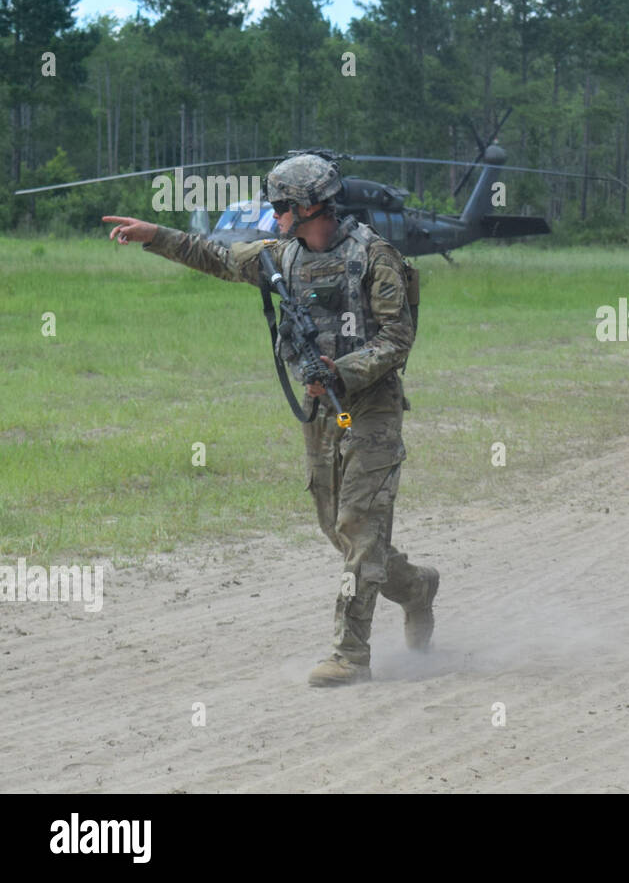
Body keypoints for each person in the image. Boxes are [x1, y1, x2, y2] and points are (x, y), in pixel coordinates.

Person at [103, 152, 438, 688]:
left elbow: (397, 339)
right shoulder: (282, 256)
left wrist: (342, 371)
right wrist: (154, 235)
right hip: (321, 412)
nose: (273, 212)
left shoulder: (375, 257)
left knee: (359, 528)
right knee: (339, 530)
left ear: (311, 206)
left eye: (281, 204)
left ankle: (350, 655)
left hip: (371, 409)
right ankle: (417, 587)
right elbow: (215, 255)